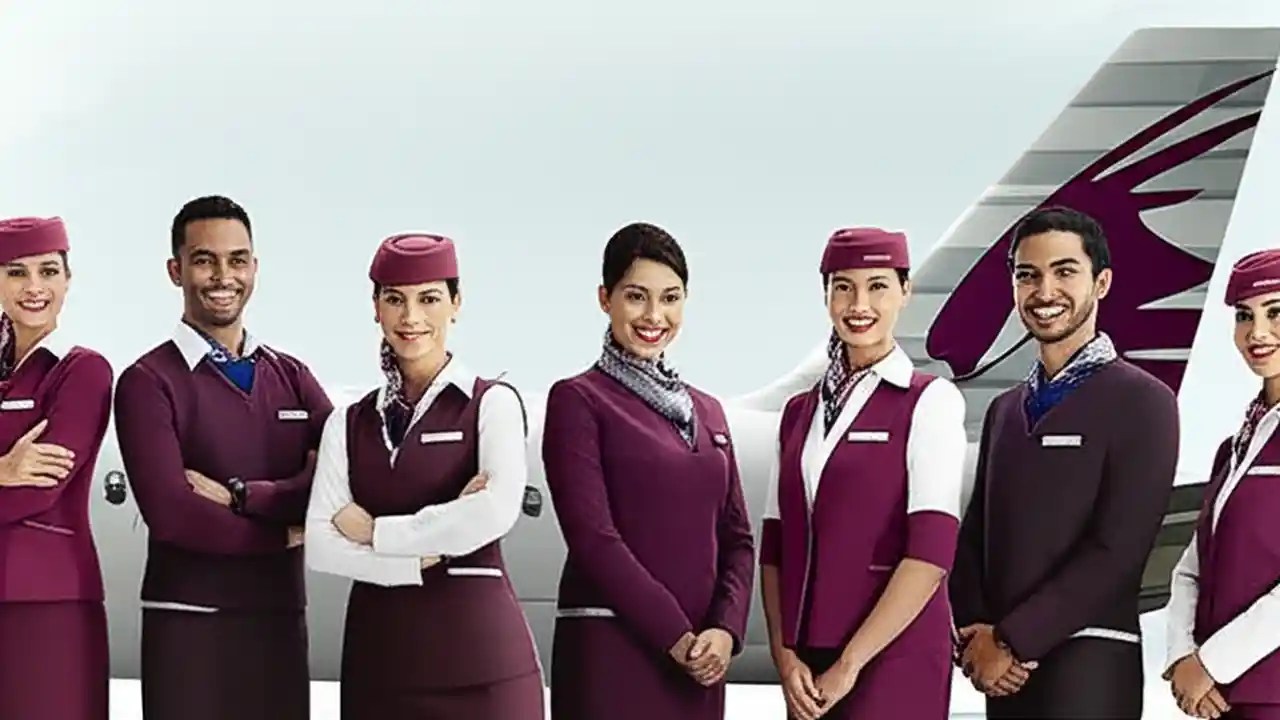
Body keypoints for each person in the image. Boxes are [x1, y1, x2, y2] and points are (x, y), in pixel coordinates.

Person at [949, 206, 1180, 719]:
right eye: (1027, 275)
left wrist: (1011, 639)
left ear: (1102, 283)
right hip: (1001, 678)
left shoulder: (1144, 401)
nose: (1044, 291)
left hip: (1090, 666)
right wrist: (976, 634)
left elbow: (1117, 549)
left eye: (1064, 272)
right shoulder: (1004, 410)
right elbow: (975, 536)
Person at [304, 231, 544, 719]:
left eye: (429, 299)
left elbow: (494, 513)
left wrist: (376, 532)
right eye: (395, 300)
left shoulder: (492, 403)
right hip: (381, 669)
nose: (411, 318)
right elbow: (322, 546)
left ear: (456, 304)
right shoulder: (346, 423)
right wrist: (420, 556)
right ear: (375, 307)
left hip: (484, 667)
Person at [113, 196, 333, 720]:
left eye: (237, 260)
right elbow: (174, 516)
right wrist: (282, 531)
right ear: (176, 269)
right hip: (190, 623)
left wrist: (248, 496)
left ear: (254, 268)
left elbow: (344, 474)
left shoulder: (292, 376)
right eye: (204, 259)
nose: (222, 276)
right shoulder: (147, 383)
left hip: (278, 618)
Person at [540, 222, 756, 720]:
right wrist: (676, 637)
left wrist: (723, 632)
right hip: (613, 653)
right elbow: (594, 539)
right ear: (605, 298)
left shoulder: (709, 411)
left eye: (670, 298)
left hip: (701, 662)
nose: (654, 316)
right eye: (636, 296)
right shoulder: (578, 400)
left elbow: (737, 538)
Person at [756, 227, 966, 720]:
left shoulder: (928, 401)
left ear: (904, 292)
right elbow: (775, 547)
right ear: (825, 294)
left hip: (894, 655)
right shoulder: (797, 414)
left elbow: (932, 553)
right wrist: (786, 658)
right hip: (809, 660)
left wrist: (850, 664)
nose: (859, 303)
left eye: (878, 286)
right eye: (843, 286)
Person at [0, 216, 113, 720]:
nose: (34, 288)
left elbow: (41, 489)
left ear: (68, 279)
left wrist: (14, 474)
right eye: (15, 273)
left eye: (48, 271)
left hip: (50, 598)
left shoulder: (81, 370)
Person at [1163, 249, 1280, 720]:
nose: (1258, 333)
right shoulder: (1234, 447)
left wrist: (1210, 664)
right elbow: (1191, 567)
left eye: (1276, 313)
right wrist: (1180, 657)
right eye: (1244, 316)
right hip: (1217, 697)